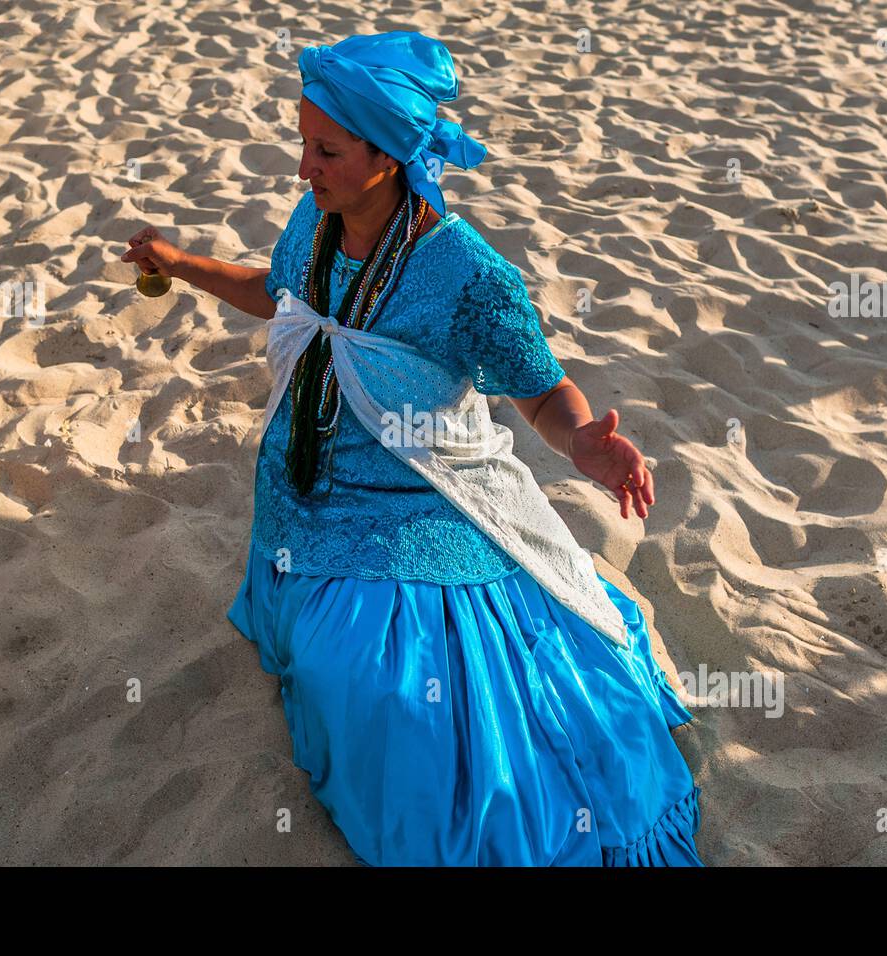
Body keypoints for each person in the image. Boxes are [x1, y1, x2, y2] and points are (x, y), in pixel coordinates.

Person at [120, 30, 703, 866]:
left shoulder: (469, 275)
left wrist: (584, 444)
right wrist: (180, 264)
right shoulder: (316, 221)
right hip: (307, 501)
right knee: (337, 676)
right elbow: (278, 294)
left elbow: (538, 388)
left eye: (324, 150)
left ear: (390, 155)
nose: (301, 168)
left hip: (422, 502)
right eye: (301, 143)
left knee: (404, 710)